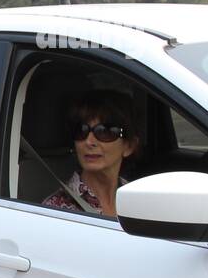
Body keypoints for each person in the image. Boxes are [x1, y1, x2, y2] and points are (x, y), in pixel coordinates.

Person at [42, 89, 140, 218]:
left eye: (104, 131)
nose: (89, 142)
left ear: (129, 146)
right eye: (81, 130)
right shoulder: (54, 211)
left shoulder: (138, 200)